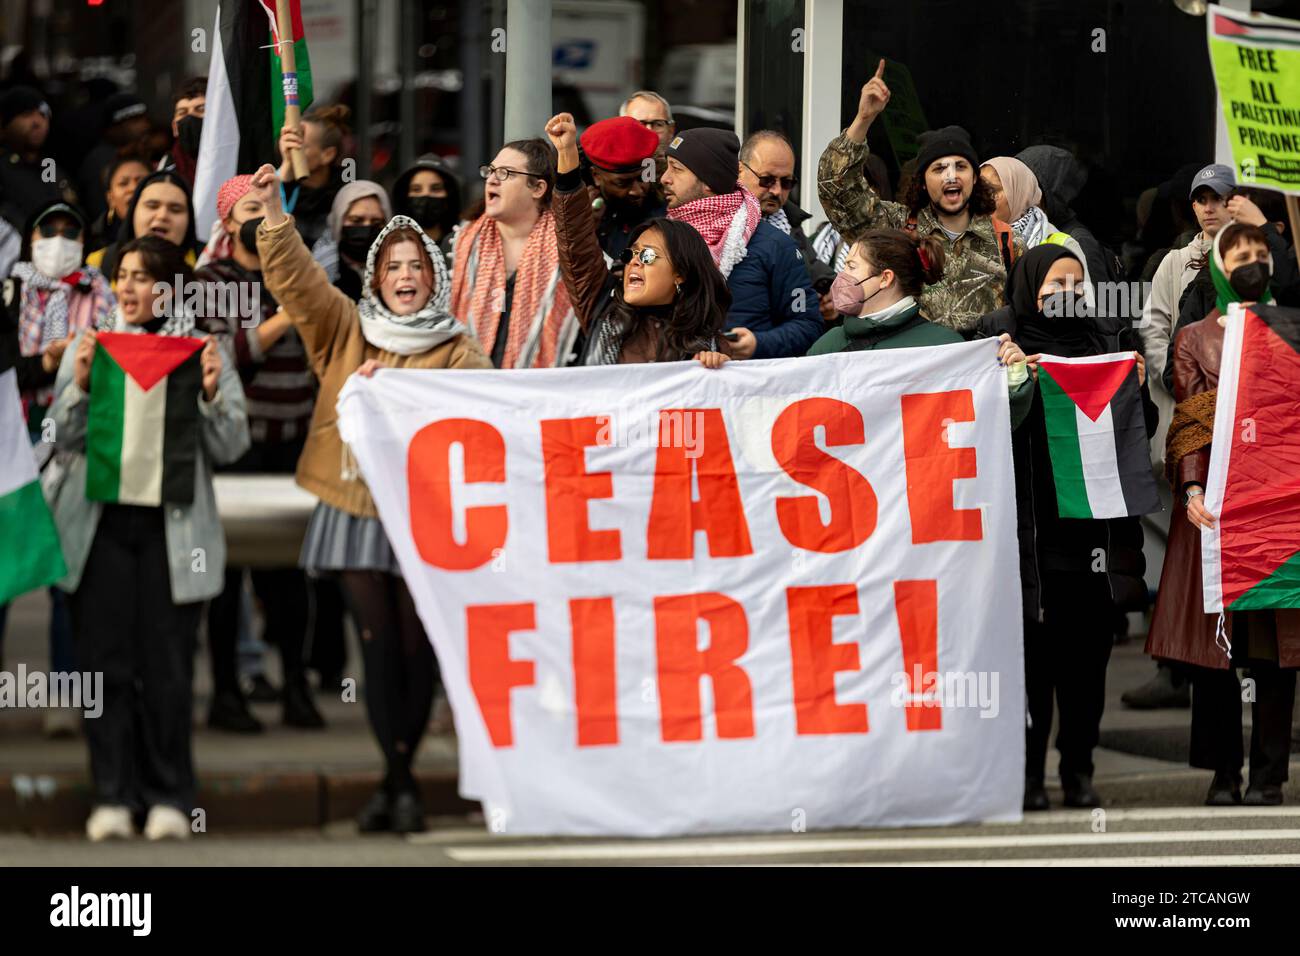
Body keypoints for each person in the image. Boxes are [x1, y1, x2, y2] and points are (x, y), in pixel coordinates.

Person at [249, 161, 492, 833]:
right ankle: (397, 781)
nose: (407, 276)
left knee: (419, 645)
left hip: (428, 517)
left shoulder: (459, 349)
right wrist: (274, 212)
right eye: (394, 267)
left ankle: (398, 782)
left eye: (417, 265)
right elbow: (296, 281)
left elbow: (490, 421)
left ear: (433, 275)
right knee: (376, 643)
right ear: (376, 278)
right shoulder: (343, 328)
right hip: (356, 510)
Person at [47, 235, 249, 840]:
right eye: (123, 276)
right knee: (104, 665)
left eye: (143, 276)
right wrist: (80, 384)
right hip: (100, 529)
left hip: (173, 534)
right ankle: (110, 794)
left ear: (168, 288)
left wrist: (212, 394)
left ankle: (168, 797)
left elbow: (232, 444)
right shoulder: (92, 346)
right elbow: (59, 433)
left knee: (166, 669)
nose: (130, 287)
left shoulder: (202, 349)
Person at [978, 245, 1154, 811]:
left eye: (1077, 283)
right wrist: (1008, 379)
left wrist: (1137, 385)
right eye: (1057, 282)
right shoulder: (1000, 349)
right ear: (1030, 287)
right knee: (1034, 664)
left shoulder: (1107, 346)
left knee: (1086, 665)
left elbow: (1139, 432)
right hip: (1031, 538)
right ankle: (1029, 777)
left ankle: (1079, 771)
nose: (1069, 292)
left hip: (1094, 542)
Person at [1148, 223, 1299, 806]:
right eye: (1241, 254)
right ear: (1217, 265)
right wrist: (1190, 490)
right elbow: (1191, 420)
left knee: (1269, 651)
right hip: (1211, 508)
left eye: (1262, 253)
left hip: (1275, 512)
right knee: (1218, 653)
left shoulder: (1291, 330)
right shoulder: (1193, 338)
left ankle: (1268, 774)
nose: (1254, 262)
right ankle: (1222, 773)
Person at [196, 174, 322, 733]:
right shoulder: (211, 280)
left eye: (264, 207)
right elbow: (227, 354)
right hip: (236, 448)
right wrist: (287, 314)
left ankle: (297, 688)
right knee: (227, 580)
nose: (257, 216)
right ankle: (227, 694)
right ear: (226, 223)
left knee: (291, 581)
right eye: (247, 208)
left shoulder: (293, 272)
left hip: (294, 443)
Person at [818, 61, 1023, 334]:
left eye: (961, 167)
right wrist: (863, 120)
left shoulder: (1008, 242)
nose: (951, 177)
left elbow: (1027, 316)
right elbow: (838, 189)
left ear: (975, 178)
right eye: (939, 169)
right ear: (923, 183)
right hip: (912, 370)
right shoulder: (896, 228)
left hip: (980, 373)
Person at [546, 112, 731, 365]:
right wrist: (566, 156)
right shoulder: (603, 310)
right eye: (630, 254)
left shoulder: (704, 340)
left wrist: (716, 363)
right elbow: (575, 245)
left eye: (647, 255)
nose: (634, 263)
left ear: (680, 273)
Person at [662, 127, 821, 359]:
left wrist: (758, 343)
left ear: (708, 181)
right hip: (669, 384)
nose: (664, 178)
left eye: (676, 169)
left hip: (745, 387)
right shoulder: (659, 237)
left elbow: (807, 325)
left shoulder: (777, 245)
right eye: (766, 180)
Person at [450, 138, 579, 368]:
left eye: (505, 173)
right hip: (471, 388)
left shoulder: (567, 247)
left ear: (538, 188)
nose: (491, 180)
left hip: (538, 391)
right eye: (490, 171)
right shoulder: (463, 243)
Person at [980, 156, 1093, 296]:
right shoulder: (967, 240)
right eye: (977, 193)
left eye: (991, 192)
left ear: (1019, 192)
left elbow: (1083, 308)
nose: (982, 201)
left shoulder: (1062, 245)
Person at [1016, 144, 1120, 287]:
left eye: (1028, 185)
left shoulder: (1079, 242)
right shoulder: (1032, 232)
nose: (1018, 193)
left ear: (1051, 190)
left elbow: (1096, 306)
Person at [576, 115, 663, 261]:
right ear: (596, 176)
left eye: (643, 178)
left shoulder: (670, 212)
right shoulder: (580, 216)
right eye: (623, 183)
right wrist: (584, 232)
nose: (637, 190)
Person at [86, 169, 199, 280]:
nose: (162, 215)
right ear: (133, 212)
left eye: (175, 209)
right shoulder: (97, 264)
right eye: (152, 206)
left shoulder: (209, 266)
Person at [274, 104, 351, 250]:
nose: (291, 151)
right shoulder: (282, 185)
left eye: (300, 146)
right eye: (289, 142)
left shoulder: (346, 196)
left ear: (327, 155)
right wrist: (287, 166)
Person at [738, 130, 818, 268]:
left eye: (787, 182)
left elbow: (815, 272)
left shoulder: (792, 225)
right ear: (740, 171)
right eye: (767, 180)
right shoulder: (714, 222)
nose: (777, 191)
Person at [0, 85, 70, 228]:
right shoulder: (3, 169)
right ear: (5, 125)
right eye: (27, 114)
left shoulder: (48, 165)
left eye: (43, 115)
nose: (38, 122)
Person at [76, 93, 150, 223]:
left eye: (144, 119)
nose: (144, 126)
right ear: (114, 127)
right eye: (135, 121)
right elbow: (100, 211)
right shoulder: (99, 160)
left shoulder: (142, 154)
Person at [318, 181, 391, 302]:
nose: (366, 228)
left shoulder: (398, 266)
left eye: (376, 222)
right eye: (356, 220)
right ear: (338, 221)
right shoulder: (320, 266)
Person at [391, 155, 462, 257]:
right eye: (416, 189)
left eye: (436, 189)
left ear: (450, 196)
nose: (426, 195)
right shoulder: (392, 249)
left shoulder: (459, 247)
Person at [87, 155, 149, 255]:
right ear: (110, 198)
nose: (133, 188)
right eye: (123, 183)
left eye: (141, 181)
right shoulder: (94, 242)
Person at [155, 76, 206, 186]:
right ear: (175, 127)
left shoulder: (239, 157)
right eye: (182, 113)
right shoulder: (167, 168)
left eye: (201, 109)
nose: (190, 117)